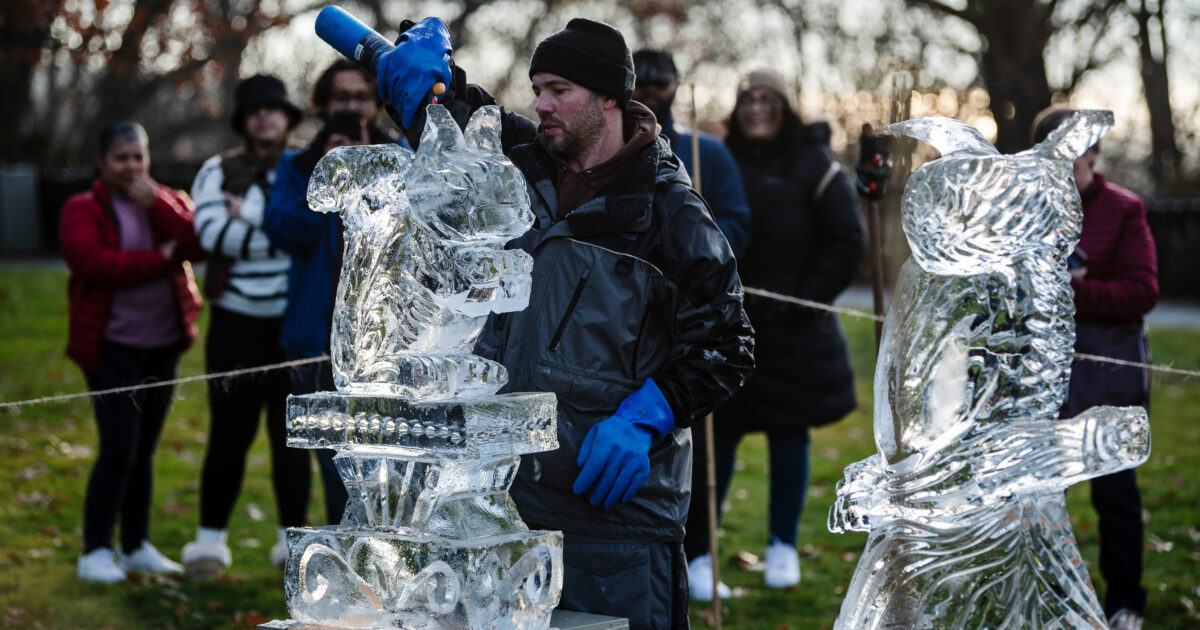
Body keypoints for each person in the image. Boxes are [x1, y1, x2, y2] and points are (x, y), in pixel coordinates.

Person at [373, 17, 754, 628]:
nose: (542, 105)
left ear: (610, 99)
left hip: (616, 525)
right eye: (537, 89)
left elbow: (727, 344)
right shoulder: (525, 166)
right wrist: (430, 79)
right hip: (505, 507)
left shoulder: (666, 211)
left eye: (559, 90)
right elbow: (460, 124)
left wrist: (646, 416)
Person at [682, 69, 863, 600]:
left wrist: (808, 300)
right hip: (727, 321)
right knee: (717, 439)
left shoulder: (814, 164)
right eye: (747, 100)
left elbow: (845, 241)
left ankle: (782, 545)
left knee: (789, 436)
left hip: (794, 331)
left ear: (785, 105)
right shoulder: (716, 160)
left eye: (767, 99)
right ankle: (699, 555)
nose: (756, 109)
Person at [60, 121, 206, 583]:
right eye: (121, 158)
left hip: (163, 346)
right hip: (111, 347)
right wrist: (161, 259)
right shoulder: (82, 208)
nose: (131, 166)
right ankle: (96, 552)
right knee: (118, 448)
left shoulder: (169, 200)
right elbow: (94, 264)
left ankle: (136, 545)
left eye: (138, 156)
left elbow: (199, 241)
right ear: (102, 162)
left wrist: (157, 206)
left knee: (144, 451)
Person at [1032, 106, 1158, 630]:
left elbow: (1142, 292)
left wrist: (1071, 290)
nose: (1066, 160)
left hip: (1109, 373)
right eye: (1054, 149)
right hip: (1042, 375)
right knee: (1038, 499)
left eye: (1075, 148)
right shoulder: (1024, 209)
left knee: (1115, 494)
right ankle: (1047, 601)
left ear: (1092, 153)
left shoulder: (1124, 209)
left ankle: (1125, 603)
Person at [181, 74, 304, 579]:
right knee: (229, 434)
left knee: (291, 437)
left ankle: (290, 544)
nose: (265, 117)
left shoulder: (304, 164)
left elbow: (309, 234)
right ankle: (209, 545)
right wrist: (276, 232)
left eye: (275, 109)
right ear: (244, 120)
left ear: (288, 116)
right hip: (234, 321)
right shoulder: (217, 169)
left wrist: (252, 215)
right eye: (256, 110)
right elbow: (211, 234)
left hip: (293, 326)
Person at [262, 60, 393, 525]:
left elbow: (409, 237)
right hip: (313, 340)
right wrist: (329, 179)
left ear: (378, 103)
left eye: (361, 97)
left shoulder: (400, 159)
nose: (352, 106)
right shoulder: (297, 166)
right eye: (342, 97)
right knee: (337, 467)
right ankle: (350, 572)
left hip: (386, 343)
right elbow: (283, 230)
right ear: (323, 104)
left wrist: (366, 171)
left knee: (387, 466)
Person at [632, 47, 751, 257]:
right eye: (640, 83)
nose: (650, 90)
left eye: (660, 84)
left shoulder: (710, 153)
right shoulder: (605, 150)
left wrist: (693, 240)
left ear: (677, 85)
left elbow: (737, 225)